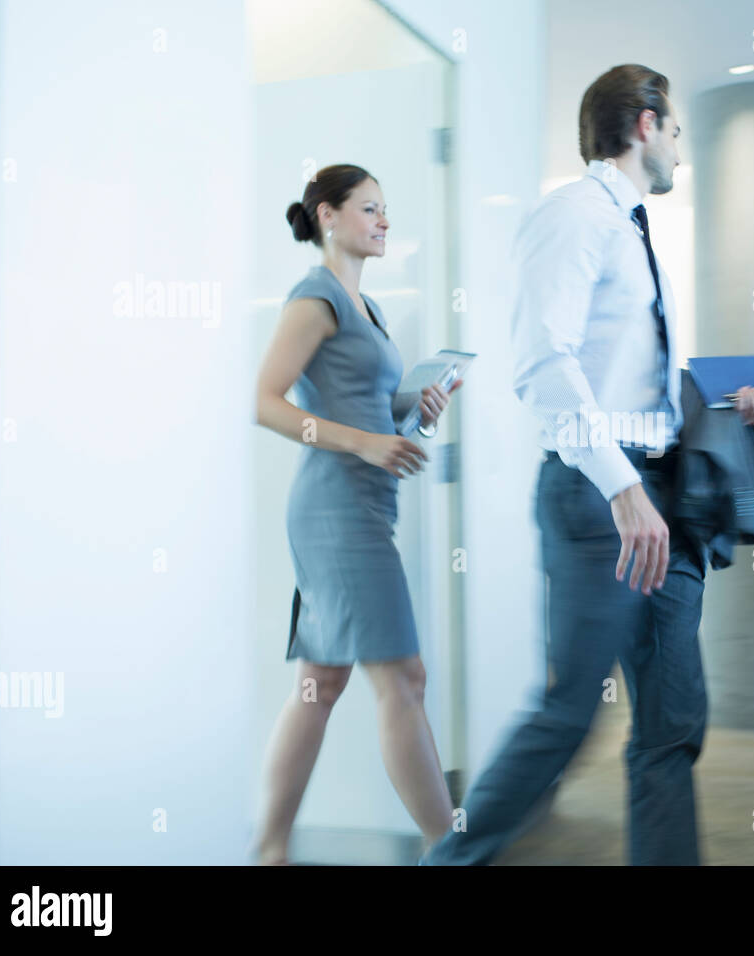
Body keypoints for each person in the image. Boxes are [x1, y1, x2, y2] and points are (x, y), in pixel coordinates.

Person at [422, 64, 754, 866]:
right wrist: (621, 487)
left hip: (663, 493)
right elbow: (542, 363)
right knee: (568, 714)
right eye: (678, 131)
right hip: (598, 502)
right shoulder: (574, 216)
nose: (682, 151)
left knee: (672, 719)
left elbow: (630, 374)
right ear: (646, 124)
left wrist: (731, 404)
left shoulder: (635, 229)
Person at [252, 164, 459, 864]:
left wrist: (414, 411)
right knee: (404, 678)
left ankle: (270, 848)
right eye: (369, 208)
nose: (383, 221)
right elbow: (266, 402)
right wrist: (362, 441)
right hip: (335, 510)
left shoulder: (366, 309)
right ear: (327, 216)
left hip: (362, 504)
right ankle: (449, 847)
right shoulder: (315, 298)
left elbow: (367, 408)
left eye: (385, 209)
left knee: (320, 682)